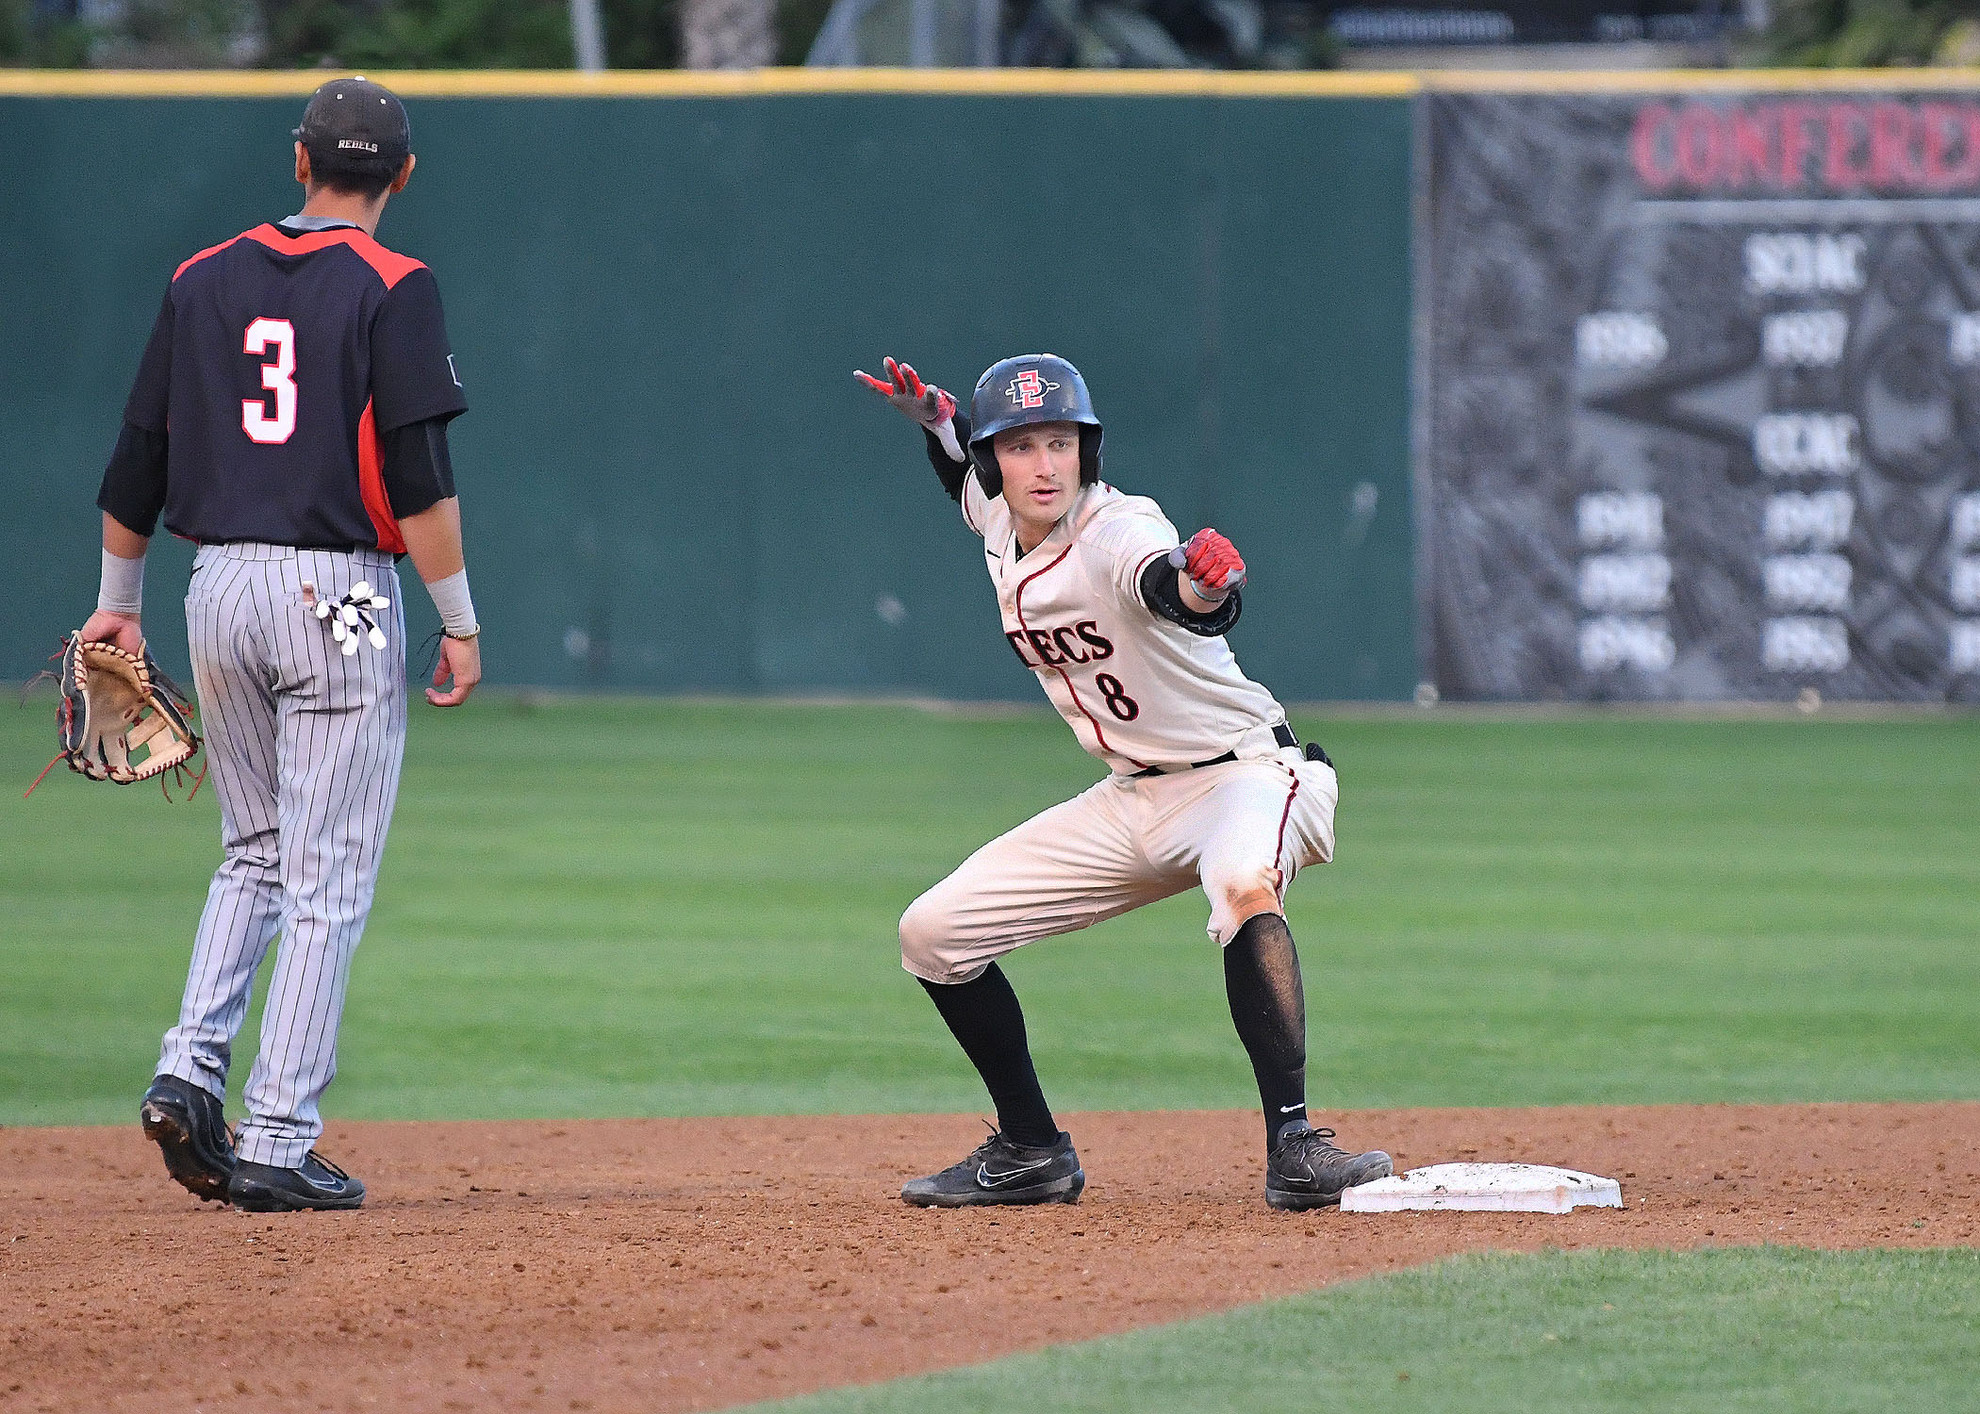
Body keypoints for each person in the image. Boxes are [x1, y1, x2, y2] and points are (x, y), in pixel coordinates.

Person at [856, 354, 1392, 1211]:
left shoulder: (1117, 530)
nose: (1043, 465)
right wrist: (937, 422)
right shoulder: (1001, 521)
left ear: (1087, 451)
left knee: (1243, 885)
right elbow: (962, 474)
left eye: (1060, 443)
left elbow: (1165, 583)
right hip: (1133, 797)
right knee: (934, 935)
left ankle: (1293, 1146)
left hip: (1245, 773)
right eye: (1022, 446)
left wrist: (1202, 584)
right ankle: (1032, 1148)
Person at [85, 77, 483, 1212]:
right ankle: (274, 1136)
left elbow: (137, 459)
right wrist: (458, 622)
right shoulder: (397, 284)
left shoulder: (198, 276)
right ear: (402, 177)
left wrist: (120, 598)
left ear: (296, 161)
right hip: (340, 592)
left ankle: (185, 1069)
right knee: (328, 875)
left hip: (218, 587)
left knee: (253, 852)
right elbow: (418, 475)